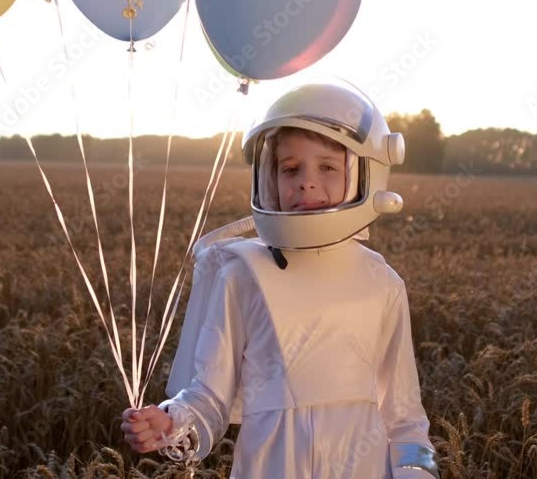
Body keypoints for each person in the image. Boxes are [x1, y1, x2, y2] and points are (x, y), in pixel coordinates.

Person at [120, 82, 439, 478]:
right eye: (290, 169)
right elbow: (209, 400)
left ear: (365, 174)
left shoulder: (382, 282)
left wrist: (418, 473)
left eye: (327, 167)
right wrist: (170, 424)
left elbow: (406, 415)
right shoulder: (242, 274)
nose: (306, 181)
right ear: (269, 178)